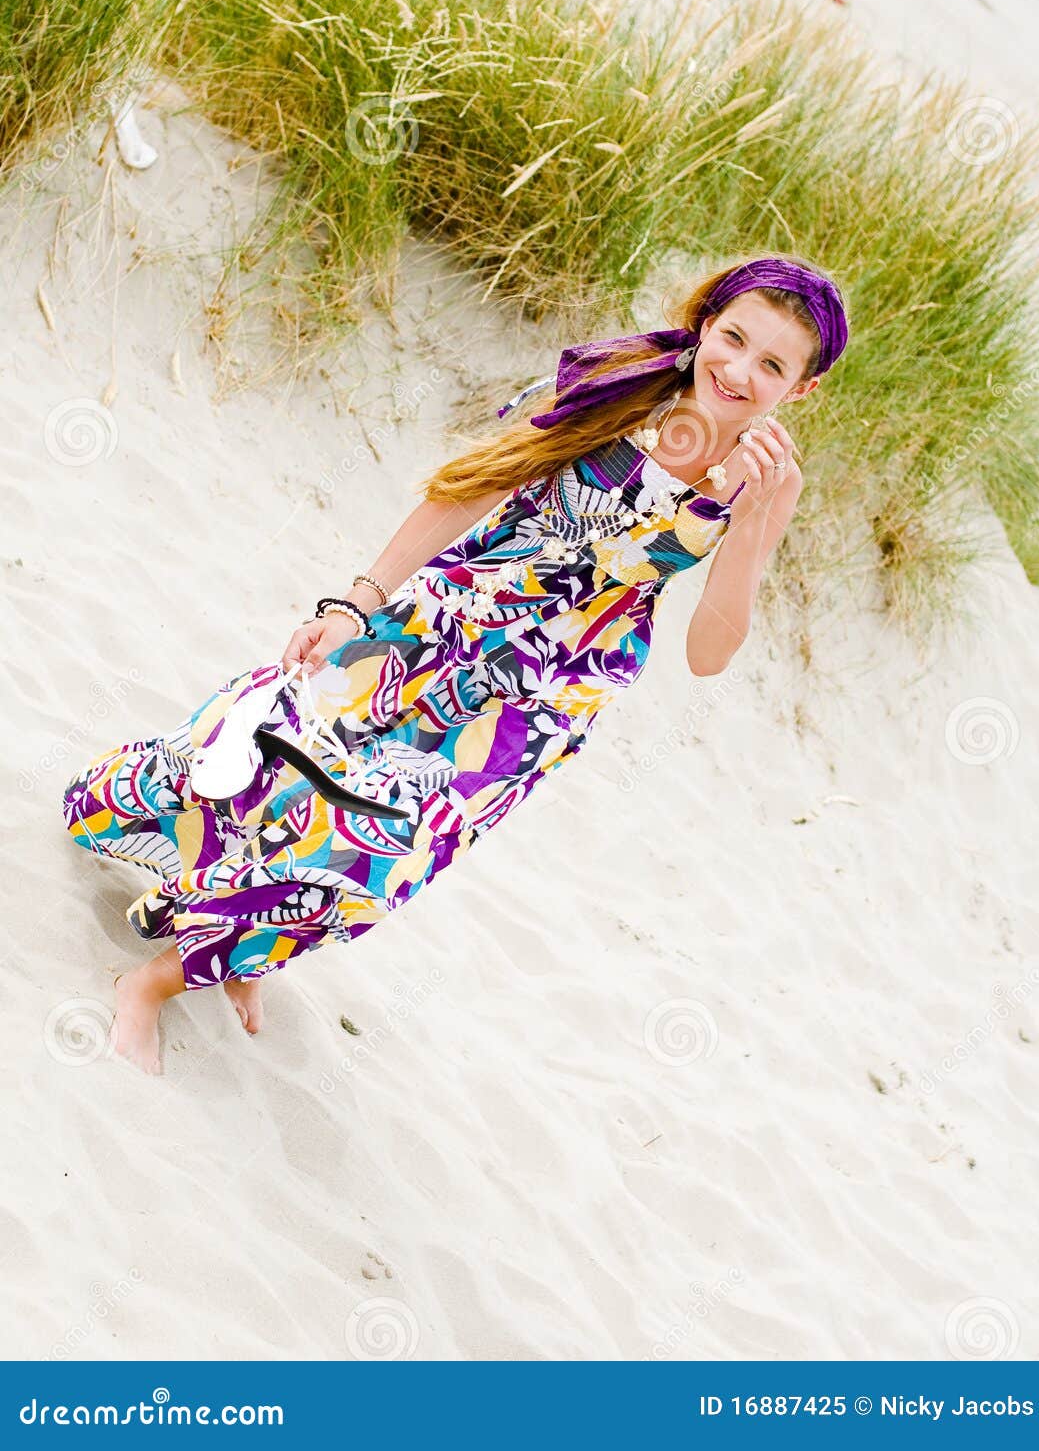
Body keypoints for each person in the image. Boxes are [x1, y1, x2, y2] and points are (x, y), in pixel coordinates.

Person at [61, 255, 849, 1076]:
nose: (738, 370)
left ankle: (156, 981)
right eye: (732, 338)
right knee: (277, 759)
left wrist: (752, 516)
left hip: (532, 702)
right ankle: (229, 941)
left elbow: (709, 652)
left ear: (800, 390)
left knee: (383, 852)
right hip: (437, 625)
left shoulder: (763, 483)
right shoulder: (618, 386)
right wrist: (355, 603)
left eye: (771, 365)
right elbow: (471, 488)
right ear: (704, 324)